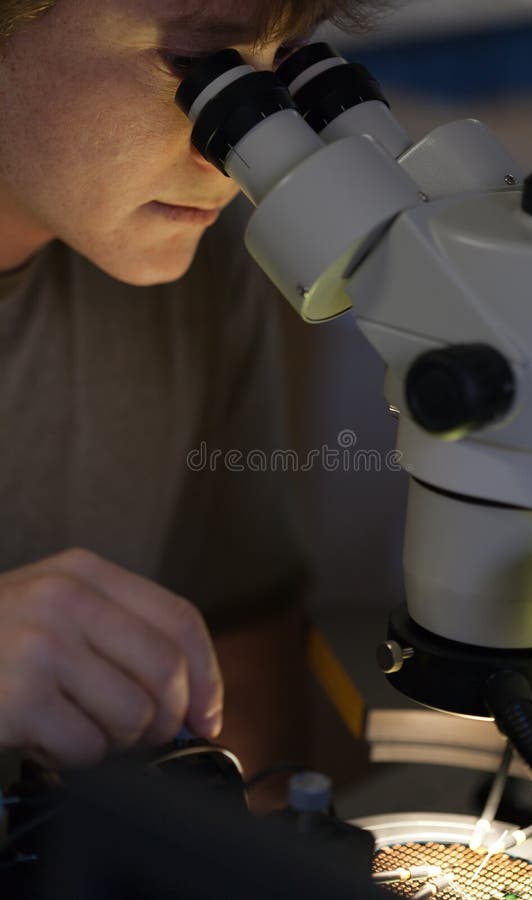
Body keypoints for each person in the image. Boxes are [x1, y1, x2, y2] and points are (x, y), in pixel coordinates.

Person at [0, 0, 380, 791]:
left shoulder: (204, 267)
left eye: (278, 71)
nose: (231, 161)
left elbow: (242, 653)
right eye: (198, 67)